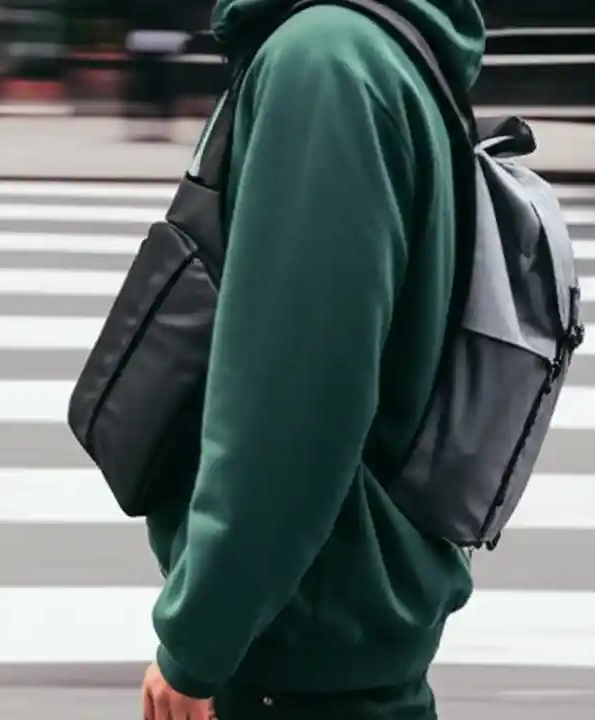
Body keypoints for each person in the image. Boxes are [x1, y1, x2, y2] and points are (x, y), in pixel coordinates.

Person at [140, 1, 485, 718]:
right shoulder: (369, 46)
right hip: (327, 634)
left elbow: (292, 404)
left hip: (296, 653)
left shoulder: (323, 64)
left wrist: (200, 638)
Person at [124, 0, 191, 142]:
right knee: (162, 80)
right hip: (160, 36)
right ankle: (156, 121)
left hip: (150, 35)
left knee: (152, 80)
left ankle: (154, 122)